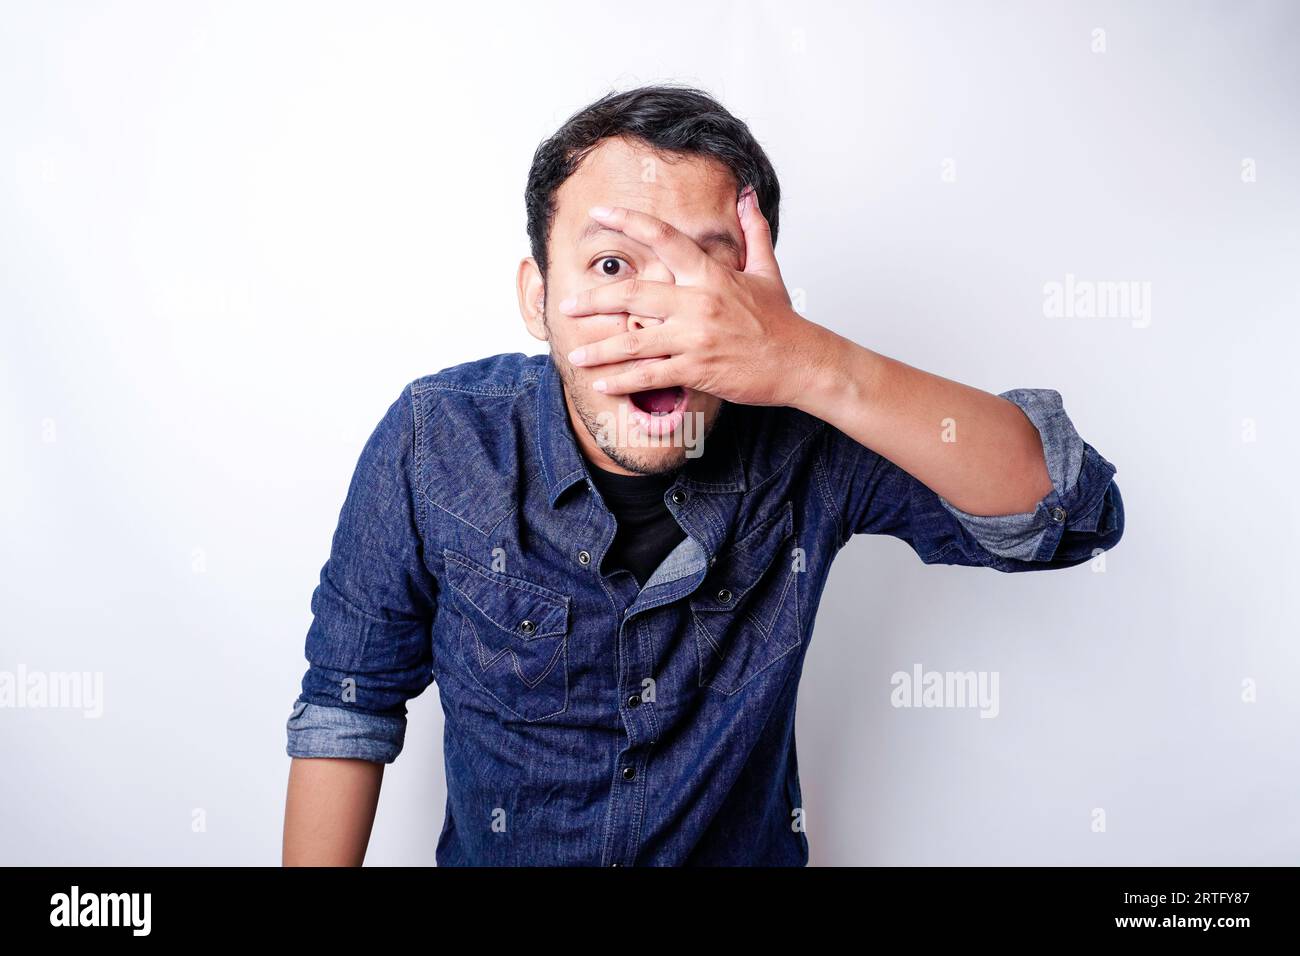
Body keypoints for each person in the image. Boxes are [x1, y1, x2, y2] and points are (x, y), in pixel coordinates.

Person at [281, 85, 1124, 866]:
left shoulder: (806, 429)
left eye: (710, 271)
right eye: (612, 265)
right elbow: (347, 703)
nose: (659, 316)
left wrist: (810, 363)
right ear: (538, 297)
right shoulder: (437, 437)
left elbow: (1064, 511)